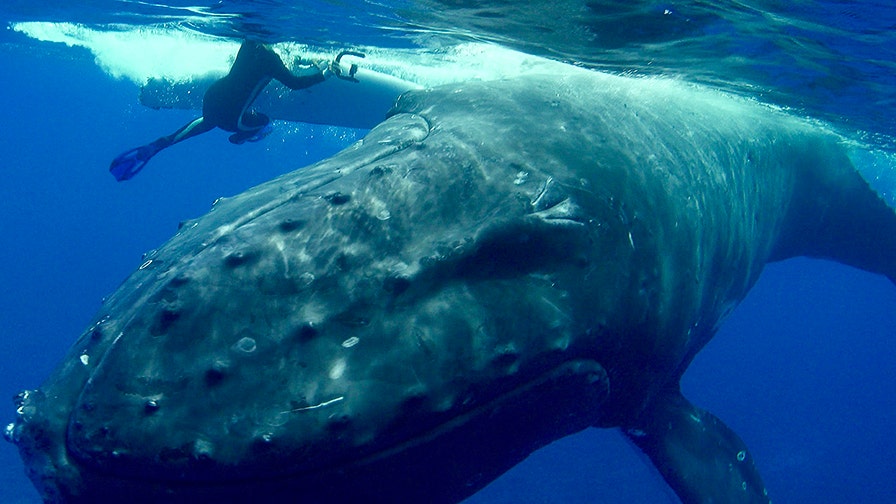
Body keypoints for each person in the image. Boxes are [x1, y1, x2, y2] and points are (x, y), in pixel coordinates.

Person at [110, 40, 345, 181]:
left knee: (200, 125)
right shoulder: (272, 60)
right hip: (231, 118)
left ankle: (153, 147)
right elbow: (294, 83)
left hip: (213, 99)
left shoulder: (249, 43)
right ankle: (241, 137)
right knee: (263, 121)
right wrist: (326, 74)